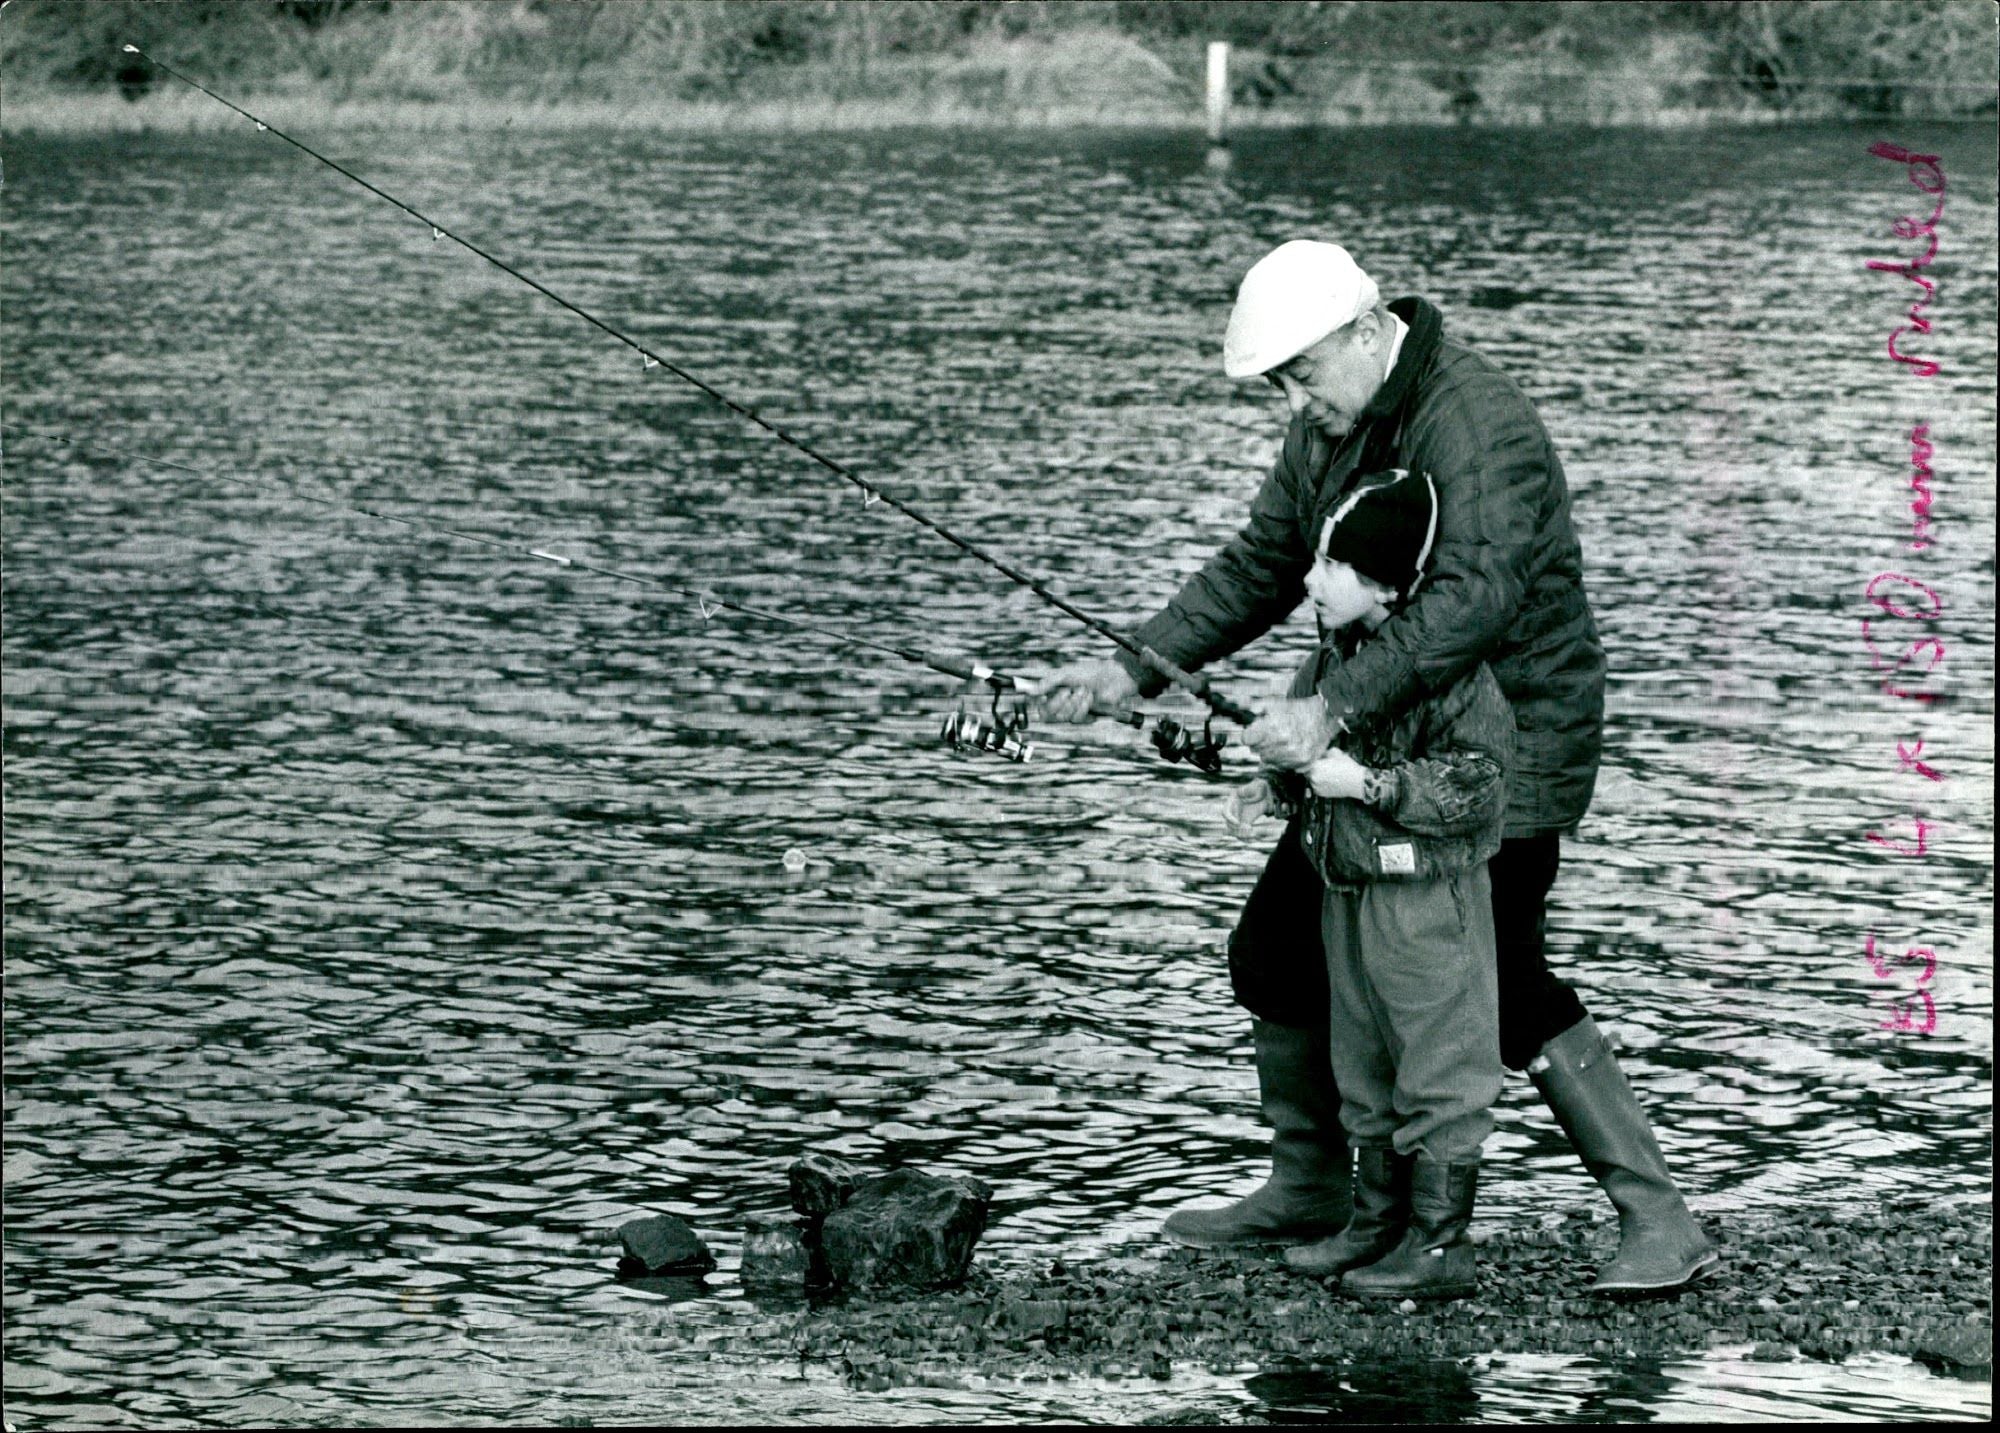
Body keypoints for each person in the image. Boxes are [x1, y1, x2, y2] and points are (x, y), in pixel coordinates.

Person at [1042, 240, 1716, 1296]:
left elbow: (1469, 603)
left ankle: (1658, 1217)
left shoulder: (1479, 423)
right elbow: (1261, 564)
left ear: (1365, 333)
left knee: (1496, 979)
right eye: (1278, 384)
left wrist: (1326, 709)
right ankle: (1313, 1185)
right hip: (1382, 736)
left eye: (1300, 374)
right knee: (1275, 951)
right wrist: (1127, 669)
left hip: (1507, 740)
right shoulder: (1333, 423)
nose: (1292, 400)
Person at [1225, 467, 1511, 1301]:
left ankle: (1439, 1245)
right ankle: (1375, 1222)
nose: (1310, 581)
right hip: (1348, 892)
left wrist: (1377, 788)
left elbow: (1481, 784)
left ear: (1384, 584)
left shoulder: (1456, 676)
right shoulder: (1331, 658)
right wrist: (1275, 787)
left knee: (1440, 1067)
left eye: (1331, 567)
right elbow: (1307, 759)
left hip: (1429, 901)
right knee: (1364, 1060)